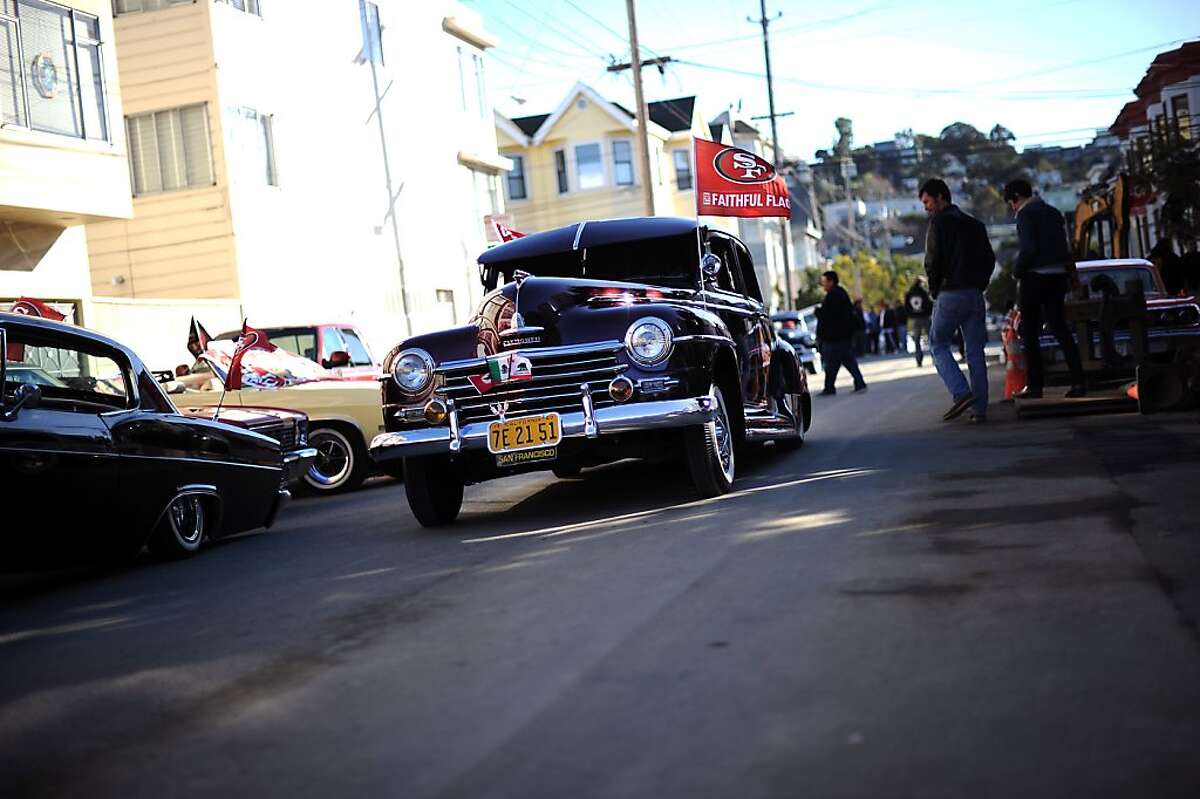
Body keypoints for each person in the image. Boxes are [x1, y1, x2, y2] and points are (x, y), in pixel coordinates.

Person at [1003, 179, 1085, 399]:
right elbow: (1065, 247)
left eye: (1012, 203)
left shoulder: (1025, 214)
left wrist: (1017, 271)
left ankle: (1035, 386)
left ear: (1016, 197)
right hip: (1057, 276)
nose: (1013, 208)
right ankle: (1078, 381)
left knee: (1030, 332)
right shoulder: (1053, 212)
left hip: (1035, 277)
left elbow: (1029, 248)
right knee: (1060, 329)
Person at [920, 178, 993, 422]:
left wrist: (934, 290)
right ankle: (979, 411)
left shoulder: (938, 223)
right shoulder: (975, 224)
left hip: (950, 293)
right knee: (975, 352)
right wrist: (980, 284)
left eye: (928, 202)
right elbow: (989, 260)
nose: (926, 207)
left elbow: (932, 262)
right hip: (975, 294)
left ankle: (961, 393)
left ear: (940, 197)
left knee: (938, 344)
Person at [815, 270, 868, 395]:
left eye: (825, 281)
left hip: (836, 337)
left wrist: (818, 312)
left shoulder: (834, 295)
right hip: (838, 337)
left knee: (836, 362)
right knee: (836, 363)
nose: (823, 284)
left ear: (831, 281)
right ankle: (832, 387)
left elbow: (829, 316)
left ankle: (834, 387)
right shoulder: (838, 294)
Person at [904, 277, 933, 366]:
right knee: (931, 338)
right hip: (925, 317)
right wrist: (928, 312)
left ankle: (919, 359)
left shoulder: (909, 293)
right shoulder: (924, 292)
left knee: (917, 340)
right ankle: (935, 357)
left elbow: (906, 307)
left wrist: (911, 315)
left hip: (915, 318)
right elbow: (929, 304)